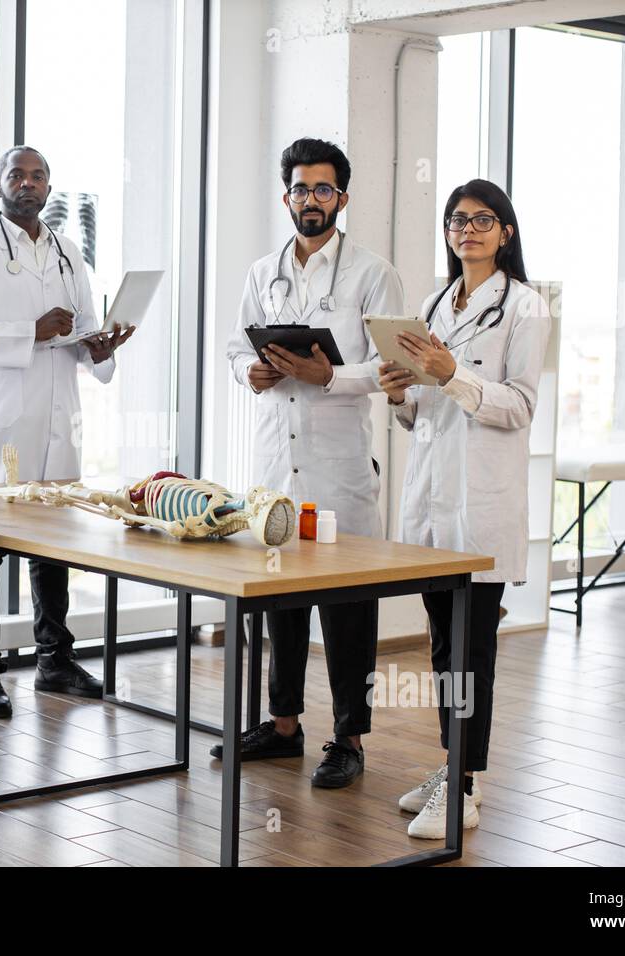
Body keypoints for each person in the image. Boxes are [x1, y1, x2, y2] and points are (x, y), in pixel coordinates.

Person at [220, 137, 404, 787]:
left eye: (324, 190)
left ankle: (349, 738)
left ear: (342, 199)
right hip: (277, 461)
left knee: (348, 607)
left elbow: (392, 367)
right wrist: (253, 372)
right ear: (287, 197)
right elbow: (233, 345)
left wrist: (329, 376)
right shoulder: (262, 271)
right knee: (280, 600)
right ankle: (283, 725)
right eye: (301, 189)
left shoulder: (372, 273)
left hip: (340, 467)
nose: (311, 200)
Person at [0, 146, 134, 718]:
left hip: (59, 420)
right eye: (16, 175)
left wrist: (99, 347)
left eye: (38, 175)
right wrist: (32, 329)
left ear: (50, 186)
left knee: (54, 548)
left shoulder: (70, 253)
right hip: (1, 423)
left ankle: (54, 660)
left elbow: (83, 336)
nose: (28, 183)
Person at [379, 178, 550, 838]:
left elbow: (520, 407)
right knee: (442, 645)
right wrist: (401, 393)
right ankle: (451, 763)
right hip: (431, 502)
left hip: (483, 506)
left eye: (483, 219)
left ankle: (466, 785)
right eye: (457, 220)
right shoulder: (432, 301)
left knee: (473, 649)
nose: (468, 229)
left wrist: (454, 374)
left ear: (505, 231)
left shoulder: (526, 309)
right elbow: (421, 412)